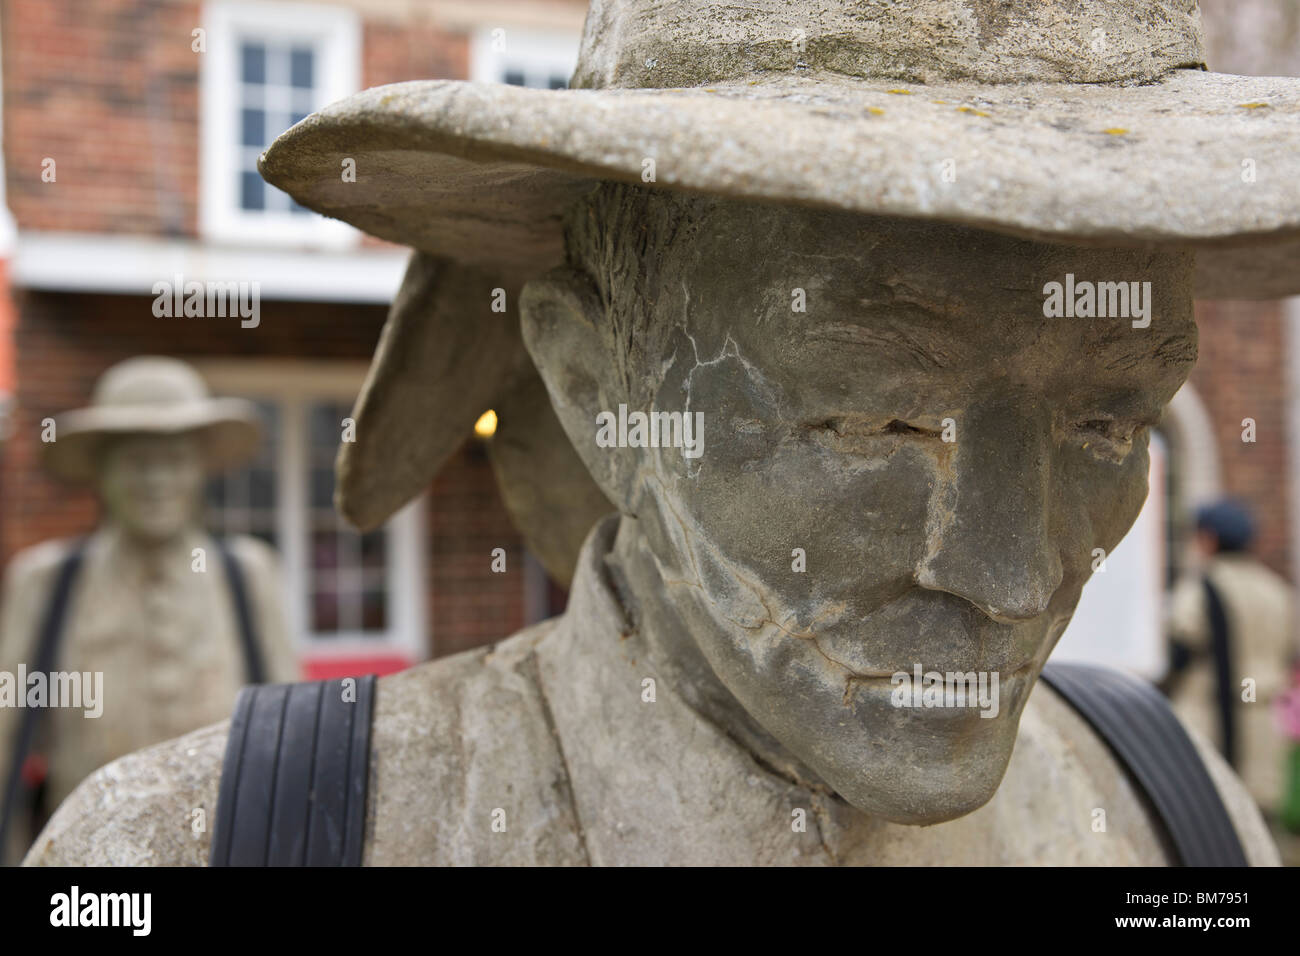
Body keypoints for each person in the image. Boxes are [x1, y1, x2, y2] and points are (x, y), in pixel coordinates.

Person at [23, 0, 1300, 866]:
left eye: (1107, 418)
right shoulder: (199, 847)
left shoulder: (1171, 820)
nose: (1013, 574)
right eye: (873, 414)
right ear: (589, 387)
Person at [0, 357, 298, 862]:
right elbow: (5, 734)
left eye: (175, 460)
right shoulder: (48, 579)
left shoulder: (248, 572)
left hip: (227, 849)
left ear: (200, 468)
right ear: (103, 471)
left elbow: (293, 733)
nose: (157, 479)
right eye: (137, 461)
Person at [1166, 500, 1298, 818]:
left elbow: (1181, 651)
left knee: (1203, 823)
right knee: (1258, 827)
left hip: (1207, 719)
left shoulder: (1200, 587)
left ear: (1208, 538)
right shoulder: (1278, 591)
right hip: (1264, 724)